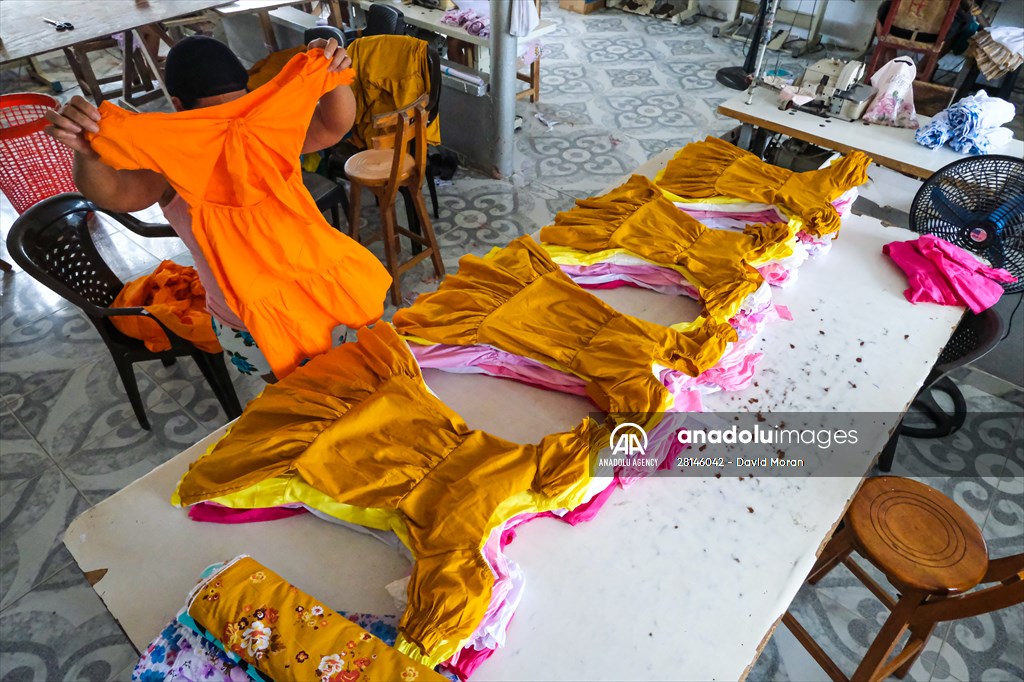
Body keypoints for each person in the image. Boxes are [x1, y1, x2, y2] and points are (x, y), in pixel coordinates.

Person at [44, 34, 356, 380]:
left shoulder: (262, 129)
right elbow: (118, 195)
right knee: (298, 391)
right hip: (246, 315)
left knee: (337, 374)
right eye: (215, 116)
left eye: (239, 109)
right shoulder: (169, 156)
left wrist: (331, 74)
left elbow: (332, 125)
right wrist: (87, 153)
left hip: (308, 290)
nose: (229, 125)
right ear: (177, 106)